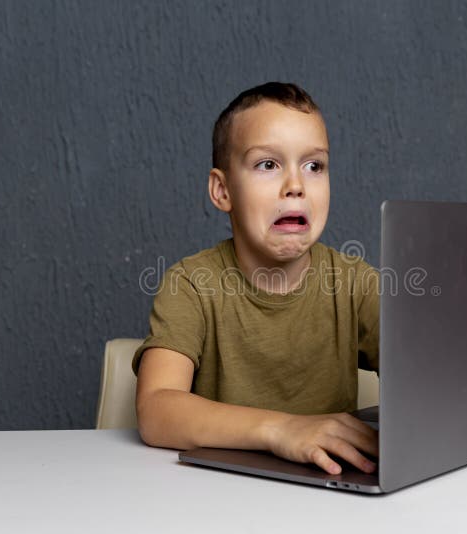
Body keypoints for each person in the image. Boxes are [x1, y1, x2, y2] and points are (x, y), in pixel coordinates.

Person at [133, 82, 379, 475]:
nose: (296, 186)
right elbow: (156, 407)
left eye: (314, 166)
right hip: (220, 496)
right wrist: (281, 429)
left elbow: (434, 375)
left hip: (332, 496)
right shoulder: (192, 285)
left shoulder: (358, 285)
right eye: (268, 164)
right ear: (222, 190)